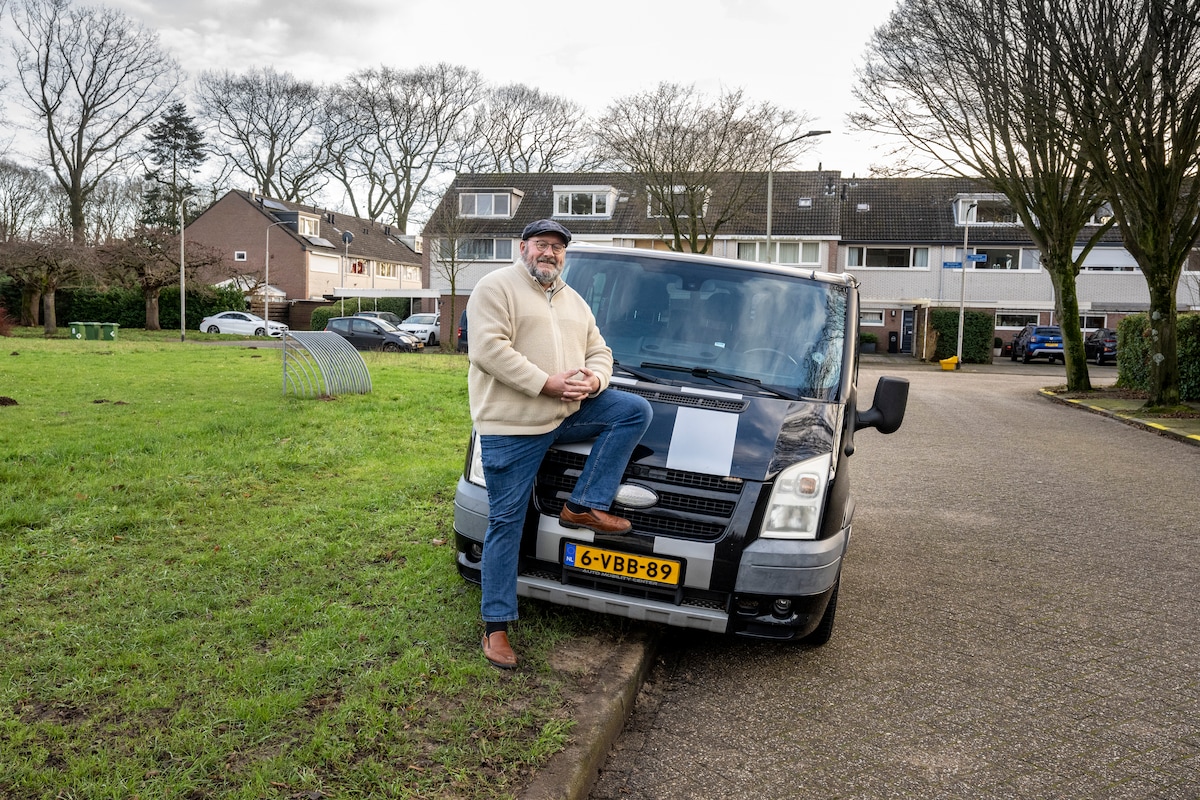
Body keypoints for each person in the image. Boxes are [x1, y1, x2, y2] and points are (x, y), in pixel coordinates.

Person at [466, 219, 652, 669]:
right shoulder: (495, 287)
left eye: (558, 248)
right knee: (507, 523)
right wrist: (545, 383)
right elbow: (488, 350)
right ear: (523, 247)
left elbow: (600, 351)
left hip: (563, 415)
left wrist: (594, 379)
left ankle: (583, 503)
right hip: (511, 427)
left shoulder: (573, 300)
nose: (550, 253)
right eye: (542, 245)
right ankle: (496, 627)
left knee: (632, 410)